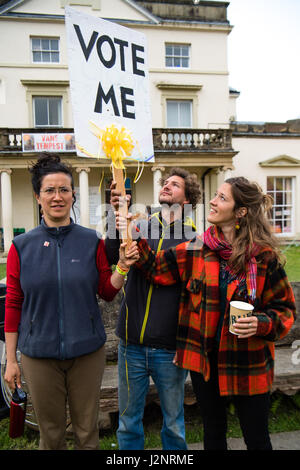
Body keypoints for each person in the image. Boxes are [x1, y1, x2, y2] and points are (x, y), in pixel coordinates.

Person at [132, 176, 296, 450]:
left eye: (222, 197)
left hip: (248, 361)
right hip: (204, 360)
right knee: (213, 433)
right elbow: (156, 268)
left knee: (257, 437)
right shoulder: (198, 247)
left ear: (241, 211)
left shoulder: (264, 257)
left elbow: (285, 309)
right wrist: (132, 234)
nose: (212, 201)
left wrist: (261, 323)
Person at [4, 153, 139, 450]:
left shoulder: (91, 240)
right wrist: (11, 360)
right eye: (49, 190)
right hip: (38, 356)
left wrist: (123, 268)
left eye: (64, 190)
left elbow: (106, 290)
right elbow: (13, 304)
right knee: (51, 435)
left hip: (86, 354)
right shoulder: (21, 247)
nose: (57, 197)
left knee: (87, 432)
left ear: (73, 195)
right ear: (38, 196)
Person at [105, 167, 201, 450]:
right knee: (128, 421)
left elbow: (193, 297)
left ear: (187, 201)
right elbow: (111, 254)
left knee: (173, 423)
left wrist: (184, 344)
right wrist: (115, 215)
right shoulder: (139, 225)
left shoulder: (194, 239)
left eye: (175, 184)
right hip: (130, 345)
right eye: (165, 183)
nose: (167, 186)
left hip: (170, 350)